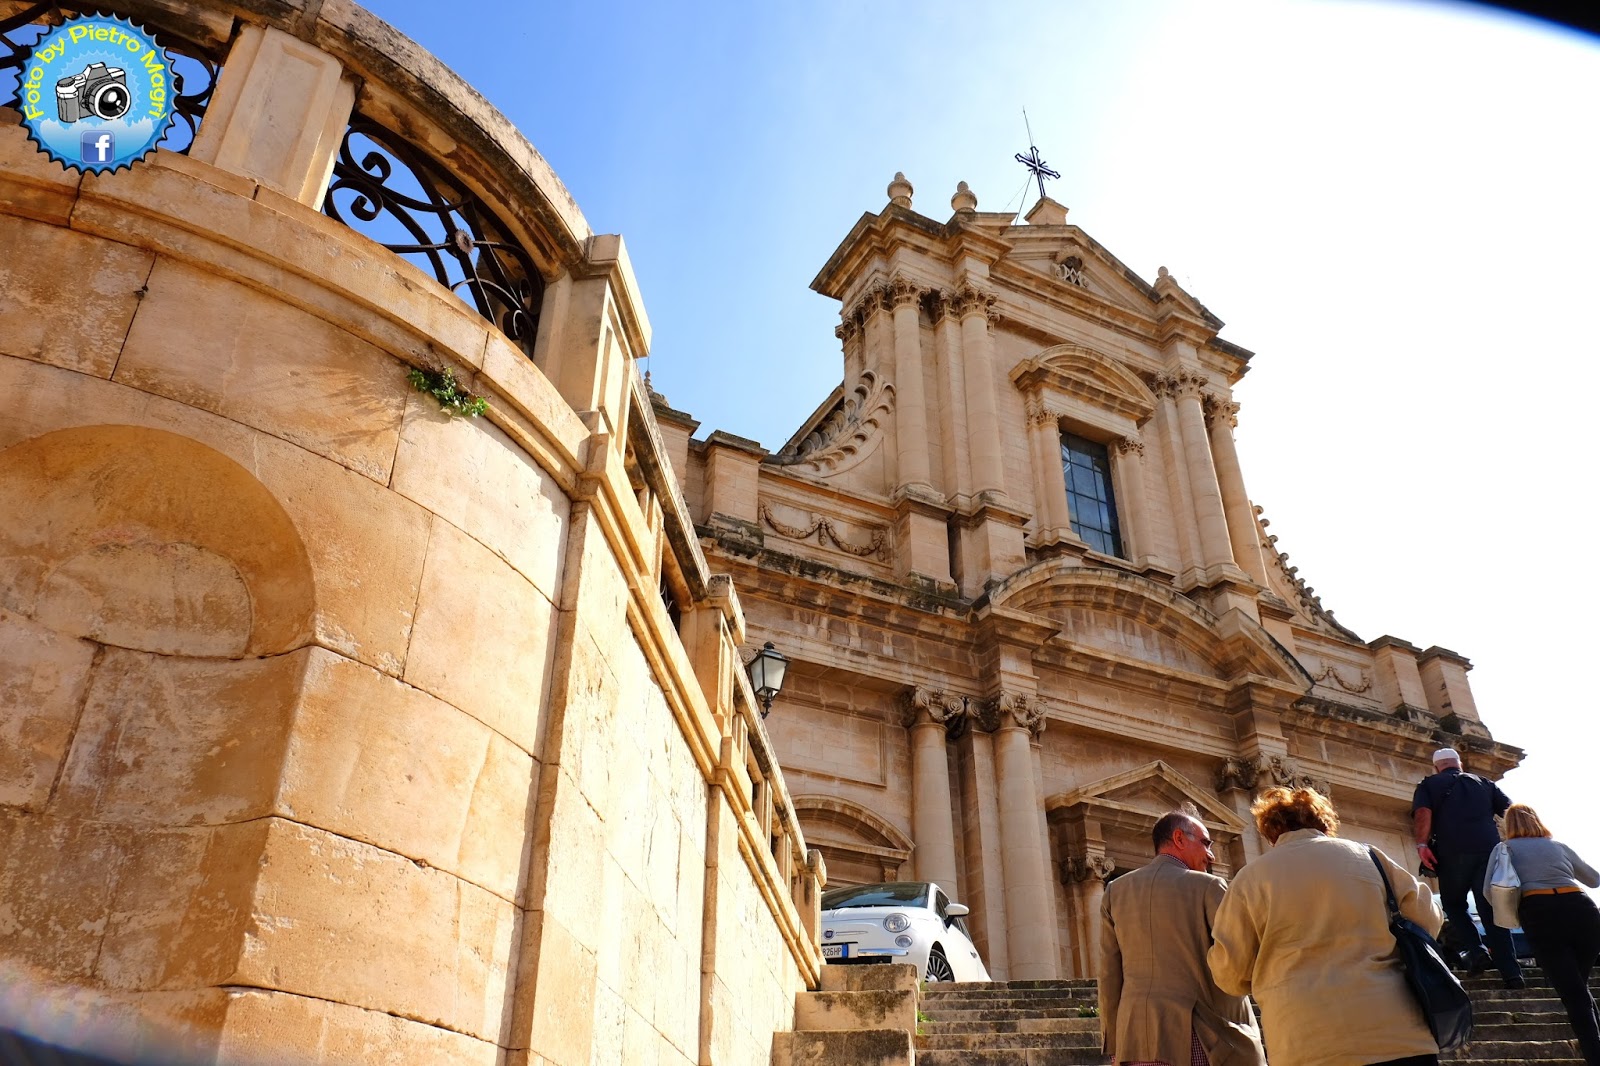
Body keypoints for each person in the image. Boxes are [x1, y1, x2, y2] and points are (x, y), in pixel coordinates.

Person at [1209, 787, 1444, 1066]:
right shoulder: (1369, 857)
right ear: (1324, 822)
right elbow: (1429, 918)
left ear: (1270, 832)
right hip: (1395, 1032)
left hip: (1305, 1041)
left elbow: (1229, 973)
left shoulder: (1248, 881)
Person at [1099, 810, 1267, 1066]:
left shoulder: (1115, 891)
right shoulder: (1209, 886)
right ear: (1179, 838)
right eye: (1205, 843)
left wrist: (1115, 1045)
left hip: (1137, 1043)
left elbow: (1109, 976)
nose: (1211, 855)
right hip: (1202, 1037)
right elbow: (1238, 960)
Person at [1489, 803, 1600, 1065]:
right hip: (1583, 911)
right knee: (1577, 989)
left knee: (1573, 994)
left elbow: (1489, 891)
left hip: (1541, 913)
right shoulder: (1557, 846)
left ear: (1508, 826)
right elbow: (1594, 879)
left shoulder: (1503, 849)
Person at [1412, 746, 1523, 986]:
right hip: (1489, 853)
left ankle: (1477, 949)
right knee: (1492, 912)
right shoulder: (1484, 783)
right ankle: (1512, 974)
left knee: (1453, 904)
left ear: (1436, 767)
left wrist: (1422, 844)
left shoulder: (1429, 784)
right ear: (1459, 764)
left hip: (1453, 853)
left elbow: (1423, 813)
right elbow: (1511, 811)